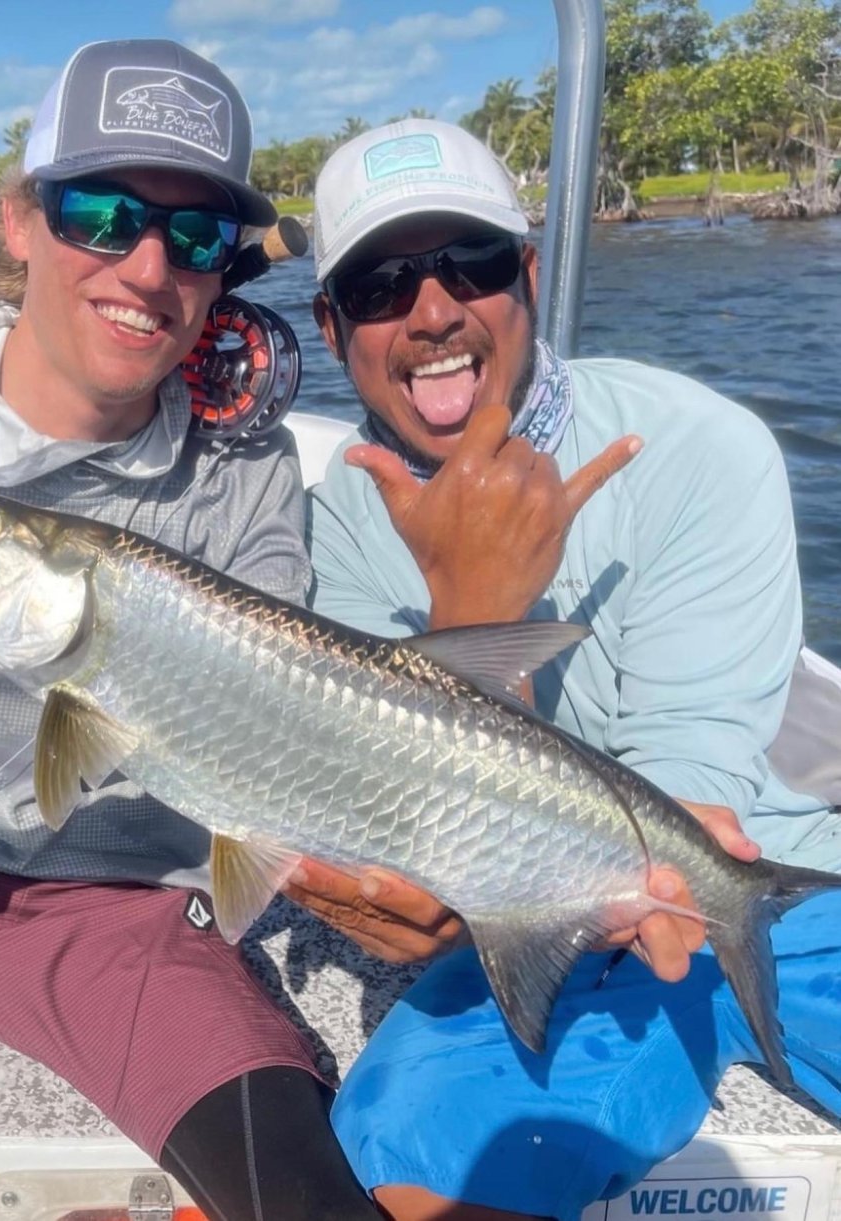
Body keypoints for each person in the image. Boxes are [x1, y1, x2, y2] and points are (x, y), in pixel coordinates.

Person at [0, 38, 386, 1221]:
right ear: (21, 220)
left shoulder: (246, 473)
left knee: (300, 1198)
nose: (147, 267)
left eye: (195, 237)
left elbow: (272, 744)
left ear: (218, 278)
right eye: (101, 212)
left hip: (121, 917)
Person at [301, 118, 841, 1221]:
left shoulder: (697, 444)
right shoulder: (333, 526)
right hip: (529, 924)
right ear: (329, 327)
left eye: (474, 263)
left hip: (767, 879)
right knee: (409, 1157)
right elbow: (402, 823)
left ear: (528, 276)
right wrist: (473, 606)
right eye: (379, 283)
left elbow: (694, 774)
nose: (434, 308)